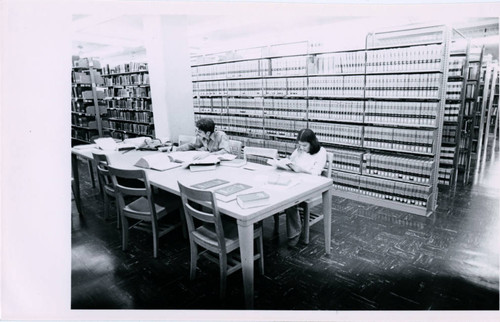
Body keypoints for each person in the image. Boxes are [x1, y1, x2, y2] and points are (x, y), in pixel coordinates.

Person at [284, 128, 327, 246]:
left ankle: (294, 233)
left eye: (304, 145)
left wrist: (302, 170)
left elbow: (316, 173)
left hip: (311, 185)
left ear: (312, 143)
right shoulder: (299, 150)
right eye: (299, 145)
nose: (301, 148)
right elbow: (290, 161)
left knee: (289, 199)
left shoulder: (321, 152)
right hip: (296, 182)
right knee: (282, 193)